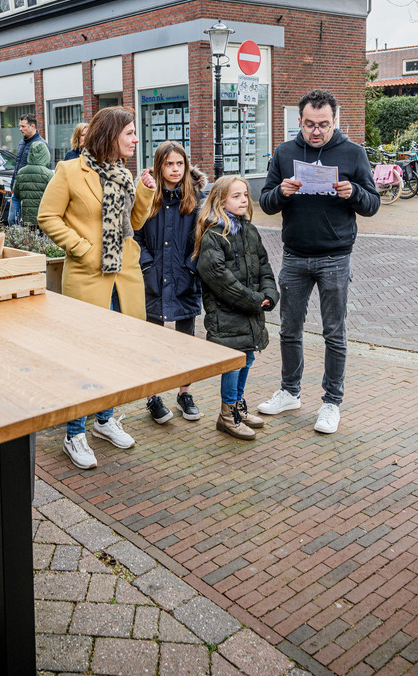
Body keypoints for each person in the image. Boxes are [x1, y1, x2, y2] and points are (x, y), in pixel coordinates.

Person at [38, 106, 156, 468]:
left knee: (116, 355)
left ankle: (104, 420)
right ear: (111, 134)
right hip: (89, 277)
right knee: (84, 359)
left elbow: (133, 223)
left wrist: (145, 191)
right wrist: (83, 248)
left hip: (125, 278)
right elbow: (47, 216)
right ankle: (75, 433)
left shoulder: (123, 173)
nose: (136, 140)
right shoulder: (70, 170)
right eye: (130, 133)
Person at [257, 89, 379, 434]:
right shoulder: (285, 152)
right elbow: (265, 202)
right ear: (300, 121)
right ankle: (290, 392)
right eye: (309, 124)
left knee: (334, 333)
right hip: (294, 256)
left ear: (335, 120)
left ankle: (331, 403)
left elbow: (373, 203)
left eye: (323, 125)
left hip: (335, 257)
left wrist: (353, 193)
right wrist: (281, 192)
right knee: (289, 329)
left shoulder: (353, 153)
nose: (316, 131)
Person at [195, 176, 279, 440]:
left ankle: (237, 407)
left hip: (250, 312)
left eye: (245, 195)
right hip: (227, 316)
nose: (244, 200)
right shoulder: (214, 236)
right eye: (236, 196)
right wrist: (255, 300)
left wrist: (268, 294)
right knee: (232, 363)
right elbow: (220, 280)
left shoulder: (249, 230)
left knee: (247, 358)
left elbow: (264, 266)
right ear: (221, 201)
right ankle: (227, 414)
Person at [136, 141, 206, 423]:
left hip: (184, 278)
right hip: (154, 277)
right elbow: (136, 234)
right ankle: (154, 396)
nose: (175, 170)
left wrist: (191, 269)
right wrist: (147, 265)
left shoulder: (197, 198)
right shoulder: (149, 197)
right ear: (159, 166)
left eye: (180, 164)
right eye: (169, 164)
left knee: (184, 341)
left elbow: (203, 238)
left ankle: (184, 392)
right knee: (153, 341)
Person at [8, 114, 48, 225]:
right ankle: (16, 242)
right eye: (20, 126)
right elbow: (17, 166)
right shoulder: (21, 143)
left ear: (32, 126)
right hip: (18, 188)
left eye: (23, 126)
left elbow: (45, 169)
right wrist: (12, 185)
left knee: (31, 223)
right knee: (12, 220)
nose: (20, 129)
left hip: (32, 191)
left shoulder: (41, 145)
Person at [11, 138, 54, 229]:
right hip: (43, 219)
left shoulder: (21, 172)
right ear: (45, 155)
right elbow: (54, 195)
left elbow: (17, 194)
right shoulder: (48, 174)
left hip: (27, 220)